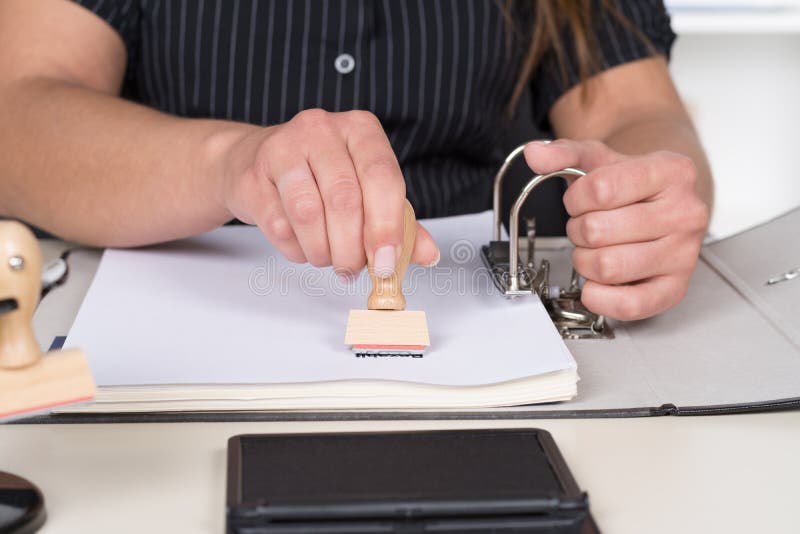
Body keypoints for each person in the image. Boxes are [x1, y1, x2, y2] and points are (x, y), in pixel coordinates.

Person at [0, 0, 711, 321]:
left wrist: (647, 194)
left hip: (500, 331)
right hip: (179, 294)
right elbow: (19, 110)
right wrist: (230, 163)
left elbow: (633, 113)